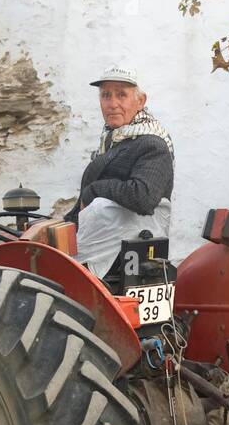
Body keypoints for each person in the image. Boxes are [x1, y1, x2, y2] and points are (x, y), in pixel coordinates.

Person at [67, 66, 174, 277]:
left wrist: (95, 191)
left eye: (121, 95)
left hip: (118, 258)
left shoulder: (152, 144)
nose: (112, 104)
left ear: (141, 101)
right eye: (106, 95)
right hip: (100, 247)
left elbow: (143, 197)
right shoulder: (113, 140)